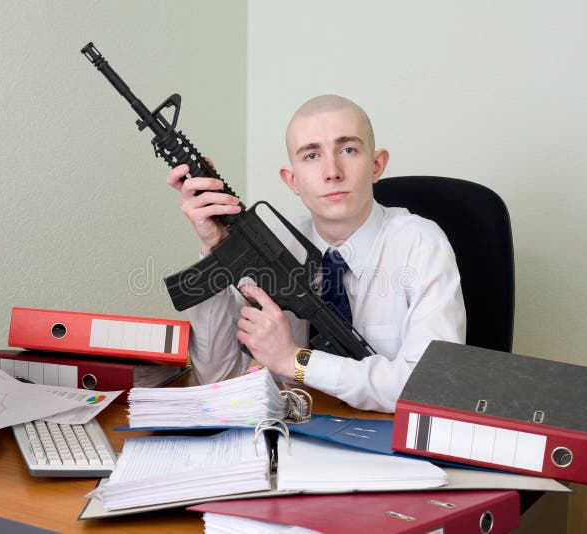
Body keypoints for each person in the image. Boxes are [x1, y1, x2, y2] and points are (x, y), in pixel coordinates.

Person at [167, 95, 465, 412]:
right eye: (311, 155)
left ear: (376, 165)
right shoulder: (273, 245)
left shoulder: (421, 245)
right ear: (292, 180)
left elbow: (433, 388)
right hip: (291, 433)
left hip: (388, 436)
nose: (332, 171)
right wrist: (215, 248)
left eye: (348, 150)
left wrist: (295, 360)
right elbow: (218, 378)